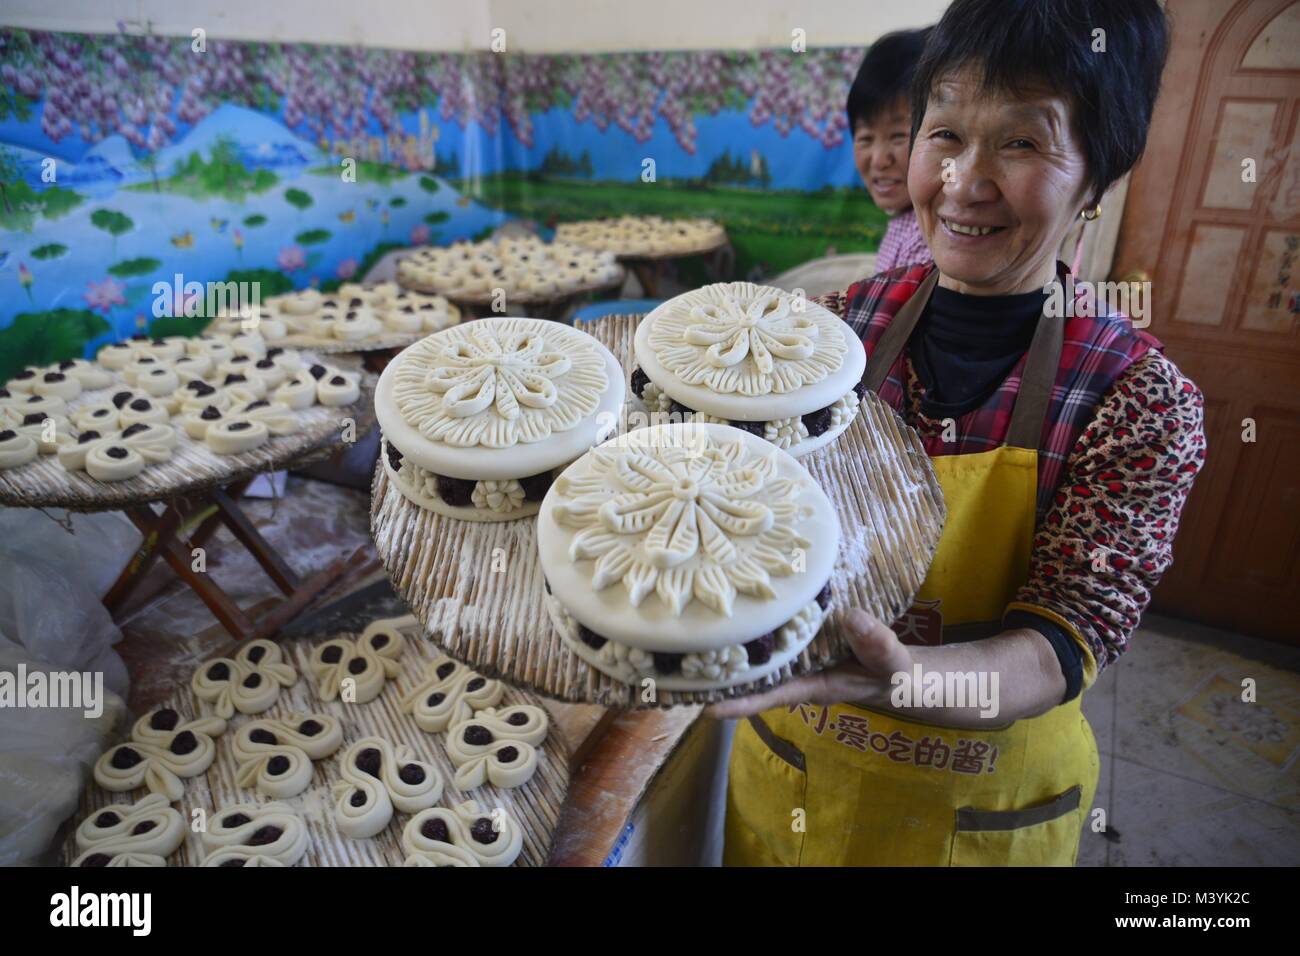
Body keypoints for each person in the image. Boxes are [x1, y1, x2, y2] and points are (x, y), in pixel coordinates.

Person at [716, 0, 1205, 866]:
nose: (964, 182)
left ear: (1098, 176)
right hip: (790, 779)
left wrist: (907, 679)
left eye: (1022, 143)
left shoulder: (1138, 398)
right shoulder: (822, 336)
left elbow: (1064, 641)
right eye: (943, 134)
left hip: (977, 812)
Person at [848, 28, 933, 272]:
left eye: (897, 136)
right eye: (865, 138)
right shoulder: (903, 224)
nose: (879, 160)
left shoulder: (929, 238)